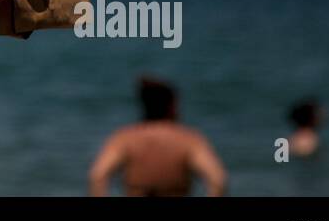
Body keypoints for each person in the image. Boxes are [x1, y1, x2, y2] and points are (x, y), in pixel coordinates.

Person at [88, 77, 227, 196]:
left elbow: (98, 176)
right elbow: (217, 180)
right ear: (172, 106)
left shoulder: (125, 138)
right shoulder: (188, 139)